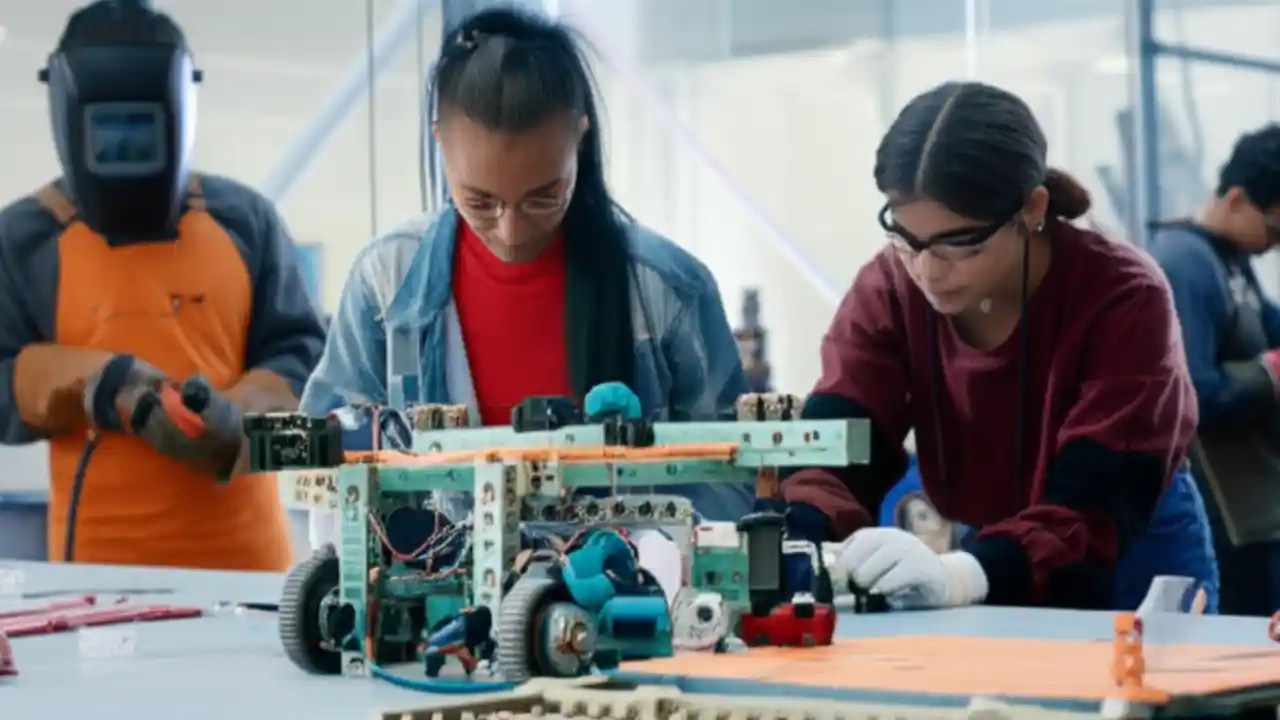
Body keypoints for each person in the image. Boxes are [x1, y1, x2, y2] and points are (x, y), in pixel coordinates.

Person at [301, 7, 747, 543]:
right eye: (480, 201)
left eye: (543, 197)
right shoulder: (386, 282)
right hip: (437, 585)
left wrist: (651, 553)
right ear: (440, 141)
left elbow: (730, 480)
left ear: (580, 137)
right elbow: (325, 465)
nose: (510, 232)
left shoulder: (666, 289)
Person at [779, 80, 1218, 611]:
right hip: (998, 543)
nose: (928, 271)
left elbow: (1096, 503)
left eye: (960, 243)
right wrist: (799, 540)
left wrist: (964, 576)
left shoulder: (1123, 296)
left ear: (1031, 208)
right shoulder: (890, 287)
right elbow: (837, 442)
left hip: (1127, 538)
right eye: (908, 239)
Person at [0, 1, 325, 570]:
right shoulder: (26, 240)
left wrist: (238, 426)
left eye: (140, 131)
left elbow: (315, 385)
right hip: (95, 584)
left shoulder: (245, 221)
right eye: (111, 134)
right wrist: (103, 386)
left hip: (249, 574)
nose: (126, 156)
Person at [1149, 124, 1280, 616]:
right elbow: (1191, 395)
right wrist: (1268, 374)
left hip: (1255, 507)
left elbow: (1268, 326)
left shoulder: (1231, 259)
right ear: (1237, 199)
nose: (1274, 245)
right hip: (1226, 514)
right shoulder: (1184, 262)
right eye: (1275, 229)